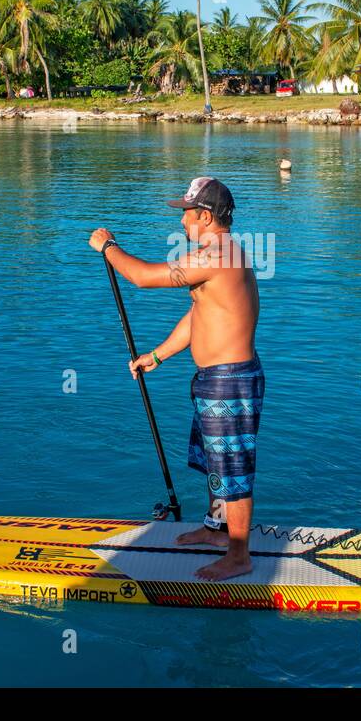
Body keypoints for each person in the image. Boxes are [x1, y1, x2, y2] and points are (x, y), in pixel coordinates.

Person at [88, 177, 262, 580]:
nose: (181, 220)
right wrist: (157, 355)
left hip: (231, 380)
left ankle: (239, 555)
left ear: (204, 215)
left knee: (232, 465)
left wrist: (109, 248)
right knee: (215, 460)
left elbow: (145, 277)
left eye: (185, 212)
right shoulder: (212, 256)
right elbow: (198, 316)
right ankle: (218, 531)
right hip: (214, 378)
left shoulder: (220, 255)